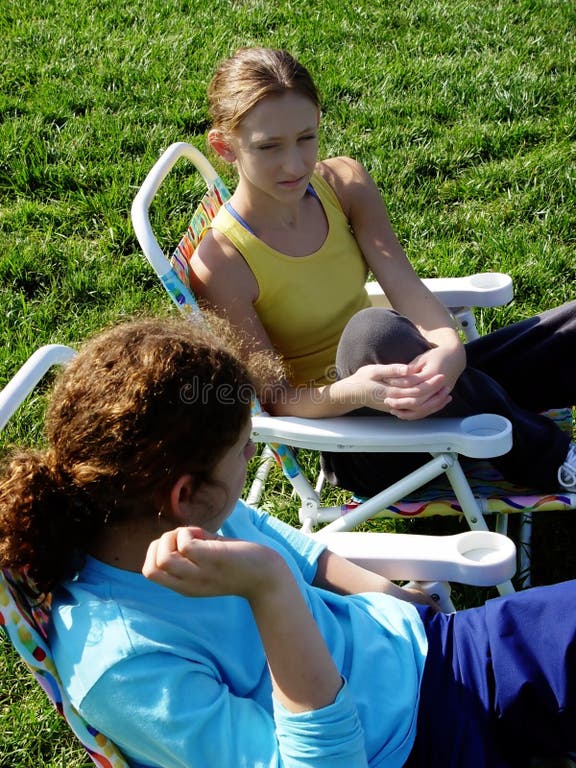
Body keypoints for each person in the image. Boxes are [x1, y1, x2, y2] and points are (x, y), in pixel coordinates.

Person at [1, 315, 575, 768]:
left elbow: (305, 553)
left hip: (437, 652)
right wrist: (270, 591)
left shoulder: (181, 516)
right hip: (407, 750)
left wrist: (397, 600)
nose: (254, 455)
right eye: (245, 445)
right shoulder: (124, 664)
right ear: (186, 493)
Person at [190, 46, 576, 499]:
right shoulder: (221, 262)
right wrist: (355, 392)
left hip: (421, 390)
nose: (295, 164)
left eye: (306, 138)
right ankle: (555, 460)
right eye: (269, 147)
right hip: (363, 444)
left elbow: (405, 287)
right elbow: (275, 401)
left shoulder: (341, 184)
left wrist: (450, 351)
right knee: (374, 332)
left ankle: (481, 399)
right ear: (224, 147)